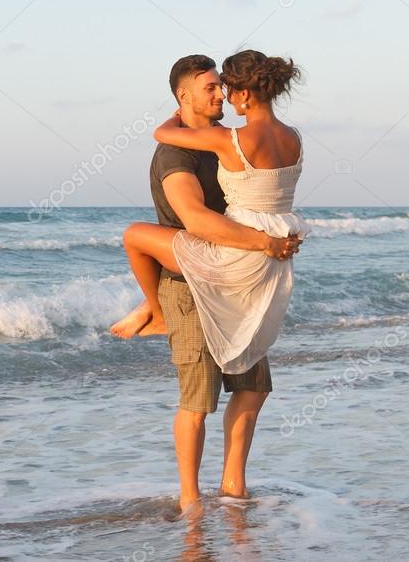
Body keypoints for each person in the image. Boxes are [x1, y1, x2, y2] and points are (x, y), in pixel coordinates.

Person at [111, 52, 304, 512]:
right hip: (195, 280)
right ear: (184, 95)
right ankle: (191, 500)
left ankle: (233, 488)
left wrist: (260, 244)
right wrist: (265, 243)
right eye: (209, 87)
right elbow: (195, 219)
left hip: (240, 277)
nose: (219, 93)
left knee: (252, 386)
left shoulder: (224, 138)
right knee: (198, 398)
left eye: (222, 85)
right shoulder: (179, 151)